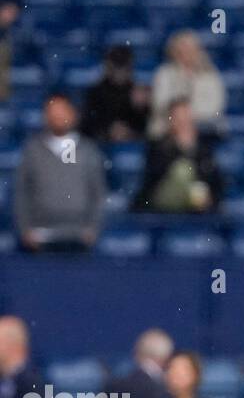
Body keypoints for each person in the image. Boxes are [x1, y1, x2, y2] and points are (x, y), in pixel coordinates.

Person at [14, 93, 107, 252]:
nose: (57, 116)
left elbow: (98, 193)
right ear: (45, 115)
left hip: (78, 236)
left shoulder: (88, 150)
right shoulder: (32, 150)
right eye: (53, 112)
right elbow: (22, 192)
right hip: (40, 235)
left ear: (73, 114)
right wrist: (25, 229)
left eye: (62, 111)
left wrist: (93, 229)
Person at [135, 99, 223, 214]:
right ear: (171, 120)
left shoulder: (205, 146)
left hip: (198, 202)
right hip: (163, 201)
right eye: (178, 118)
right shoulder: (158, 146)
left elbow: (212, 177)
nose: (183, 122)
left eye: (186, 117)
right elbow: (154, 177)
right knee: (183, 170)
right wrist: (181, 148)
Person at [149, 30, 225, 138]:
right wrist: (179, 116)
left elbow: (216, 106)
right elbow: (159, 102)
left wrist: (188, 116)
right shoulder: (164, 73)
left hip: (203, 128)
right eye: (182, 50)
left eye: (190, 50)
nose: (186, 54)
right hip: (169, 127)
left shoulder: (210, 74)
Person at [80, 44, 150, 143]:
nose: (120, 71)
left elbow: (147, 127)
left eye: (124, 66)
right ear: (108, 66)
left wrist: (141, 108)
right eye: (116, 65)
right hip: (102, 143)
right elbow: (88, 125)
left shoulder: (138, 93)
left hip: (133, 142)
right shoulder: (95, 93)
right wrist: (108, 130)